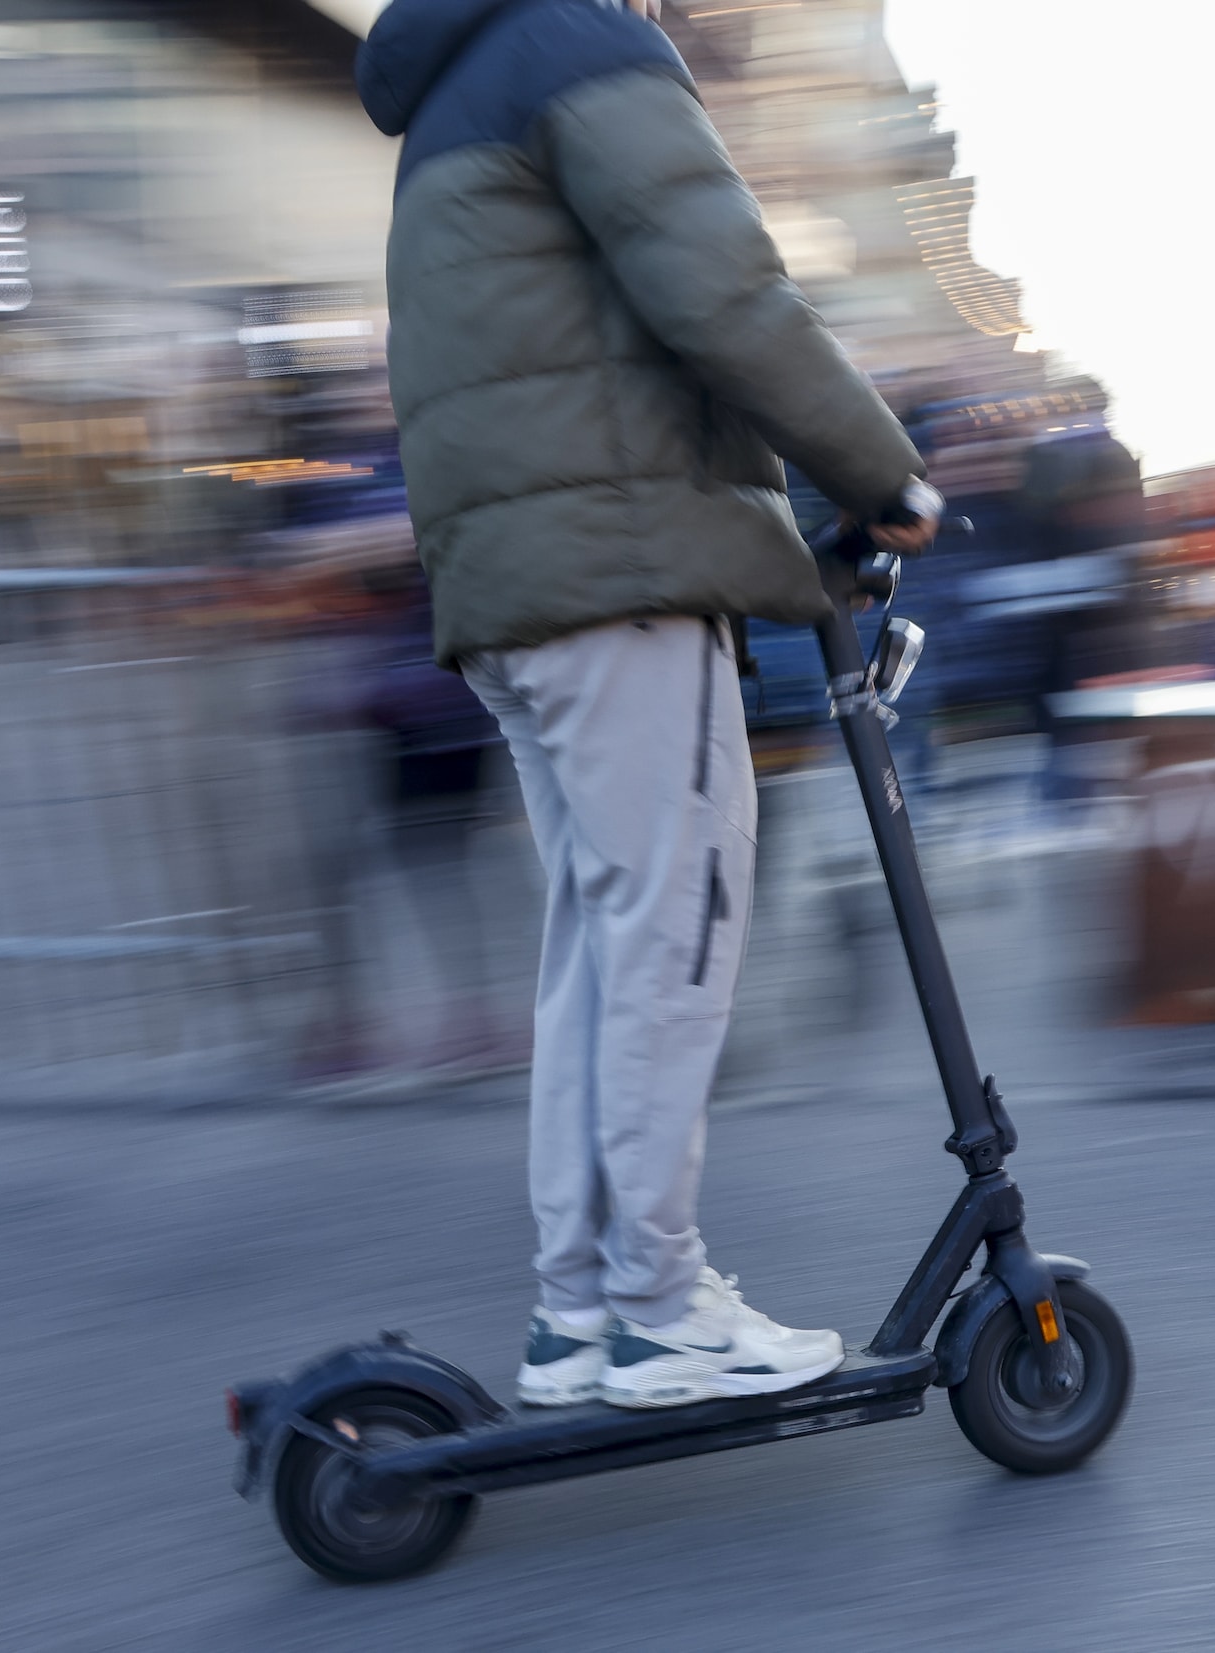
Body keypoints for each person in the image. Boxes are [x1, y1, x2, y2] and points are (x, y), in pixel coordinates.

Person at [356, 0, 940, 1410]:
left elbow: (608, 345)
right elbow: (723, 289)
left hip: (519, 589)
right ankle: (659, 1309)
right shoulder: (578, 43)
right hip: (618, 580)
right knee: (677, 935)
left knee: (601, 953)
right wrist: (888, 478)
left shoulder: (457, 88)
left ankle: (579, 1313)